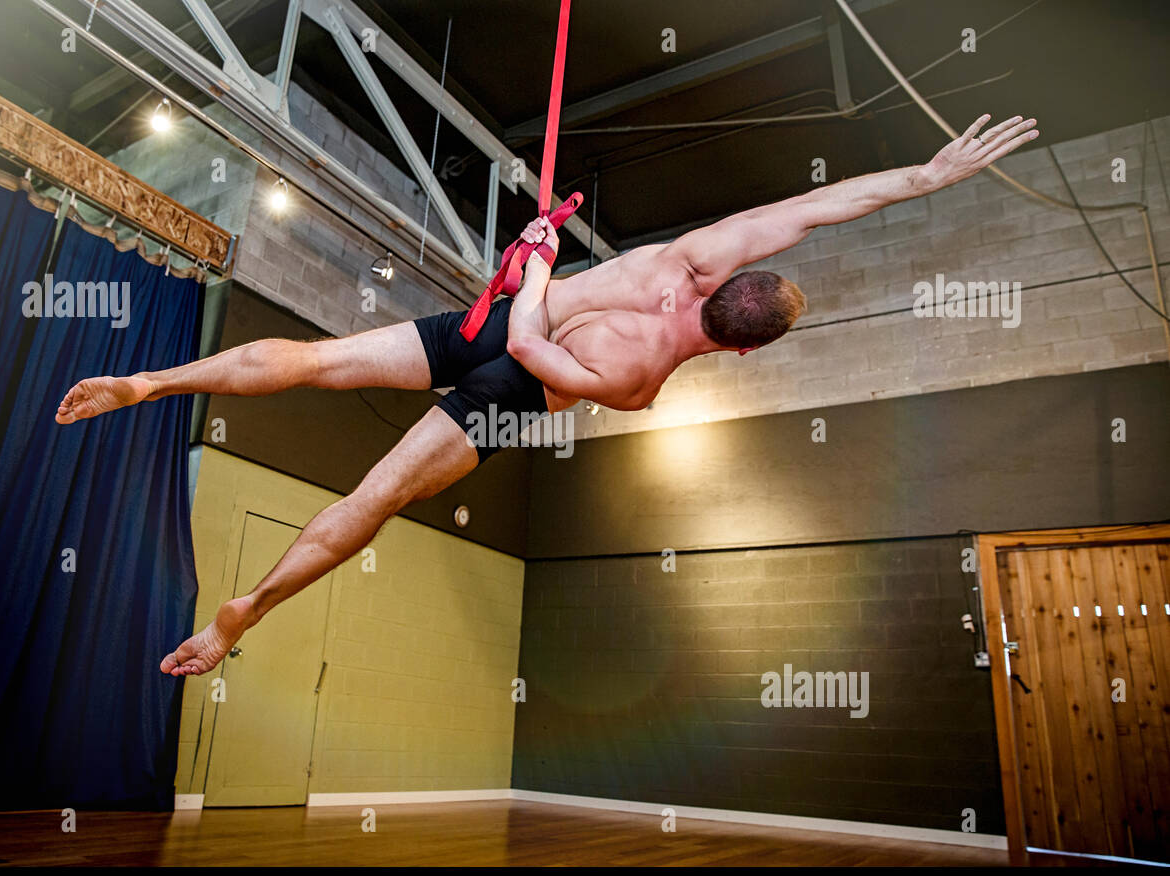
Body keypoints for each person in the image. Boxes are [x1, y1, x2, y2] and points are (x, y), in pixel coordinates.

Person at [54, 113, 1038, 675]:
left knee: (316, 358)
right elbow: (537, 359)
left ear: (721, 281)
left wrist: (534, 258)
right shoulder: (640, 383)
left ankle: (151, 378)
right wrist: (931, 182)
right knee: (373, 500)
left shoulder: (687, 256)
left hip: (505, 328)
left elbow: (818, 206)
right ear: (738, 351)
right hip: (514, 389)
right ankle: (244, 611)